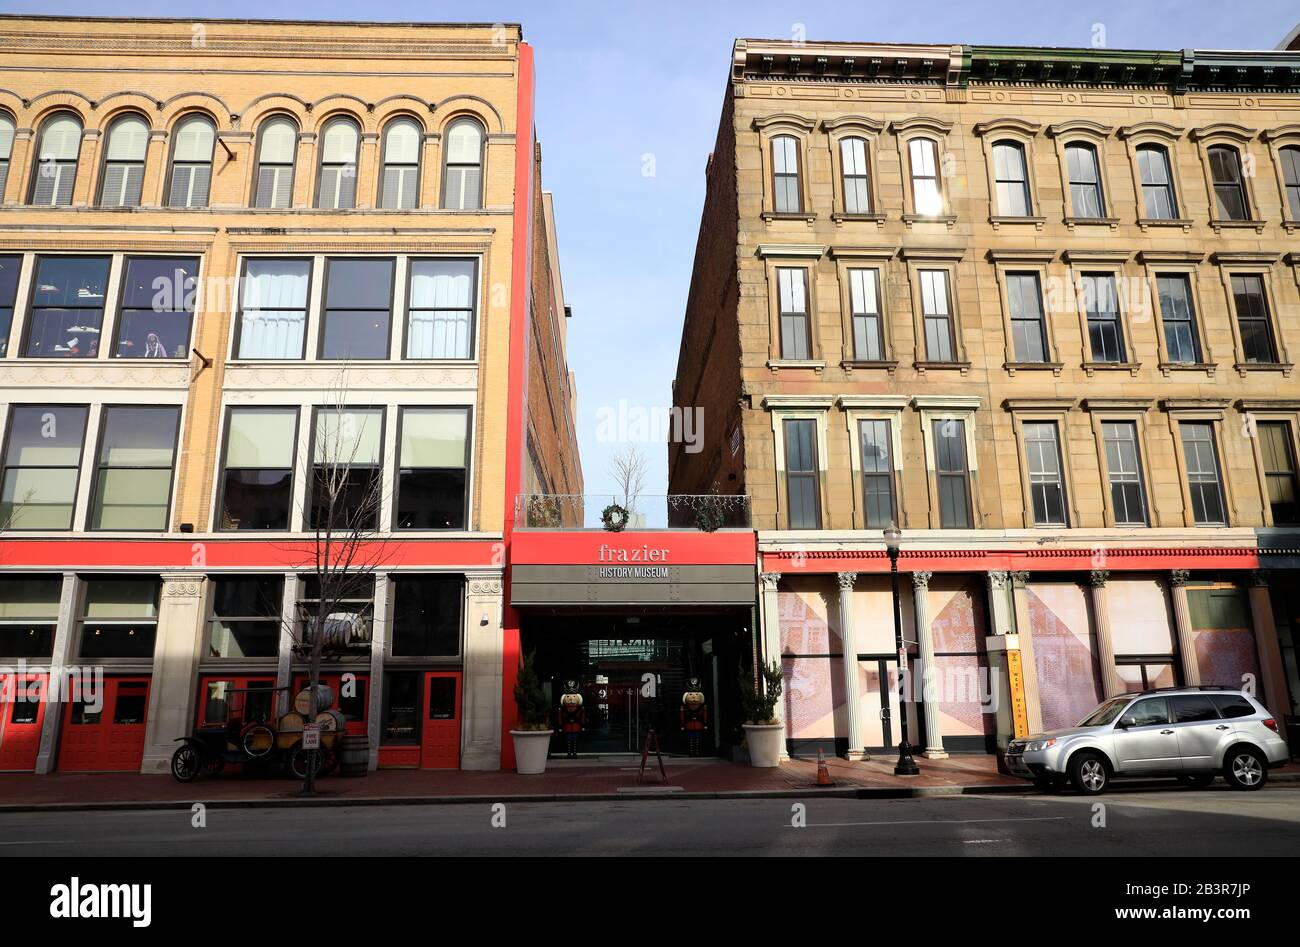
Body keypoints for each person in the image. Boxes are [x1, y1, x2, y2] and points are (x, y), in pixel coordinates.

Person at [556, 680, 584, 759]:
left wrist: (583, 725)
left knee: (575, 740)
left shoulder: (580, 709)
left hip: (576, 726)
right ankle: (568, 753)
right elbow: (560, 718)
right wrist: (560, 726)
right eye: (568, 696)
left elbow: (582, 717)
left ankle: (574, 753)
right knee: (568, 741)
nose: (571, 699)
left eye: (574, 696)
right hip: (567, 726)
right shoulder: (562, 709)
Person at [680, 678, 708, 757]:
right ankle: (691, 752)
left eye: (696, 694)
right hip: (690, 725)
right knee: (691, 739)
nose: (694, 697)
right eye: (691, 694)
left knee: (698, 739)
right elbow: (683, 716)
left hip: (699, 725)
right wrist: (683, 724)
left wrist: (705, 724)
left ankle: (698, 752)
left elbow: (704, 715)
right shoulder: (685, 707)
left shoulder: (702, 707)